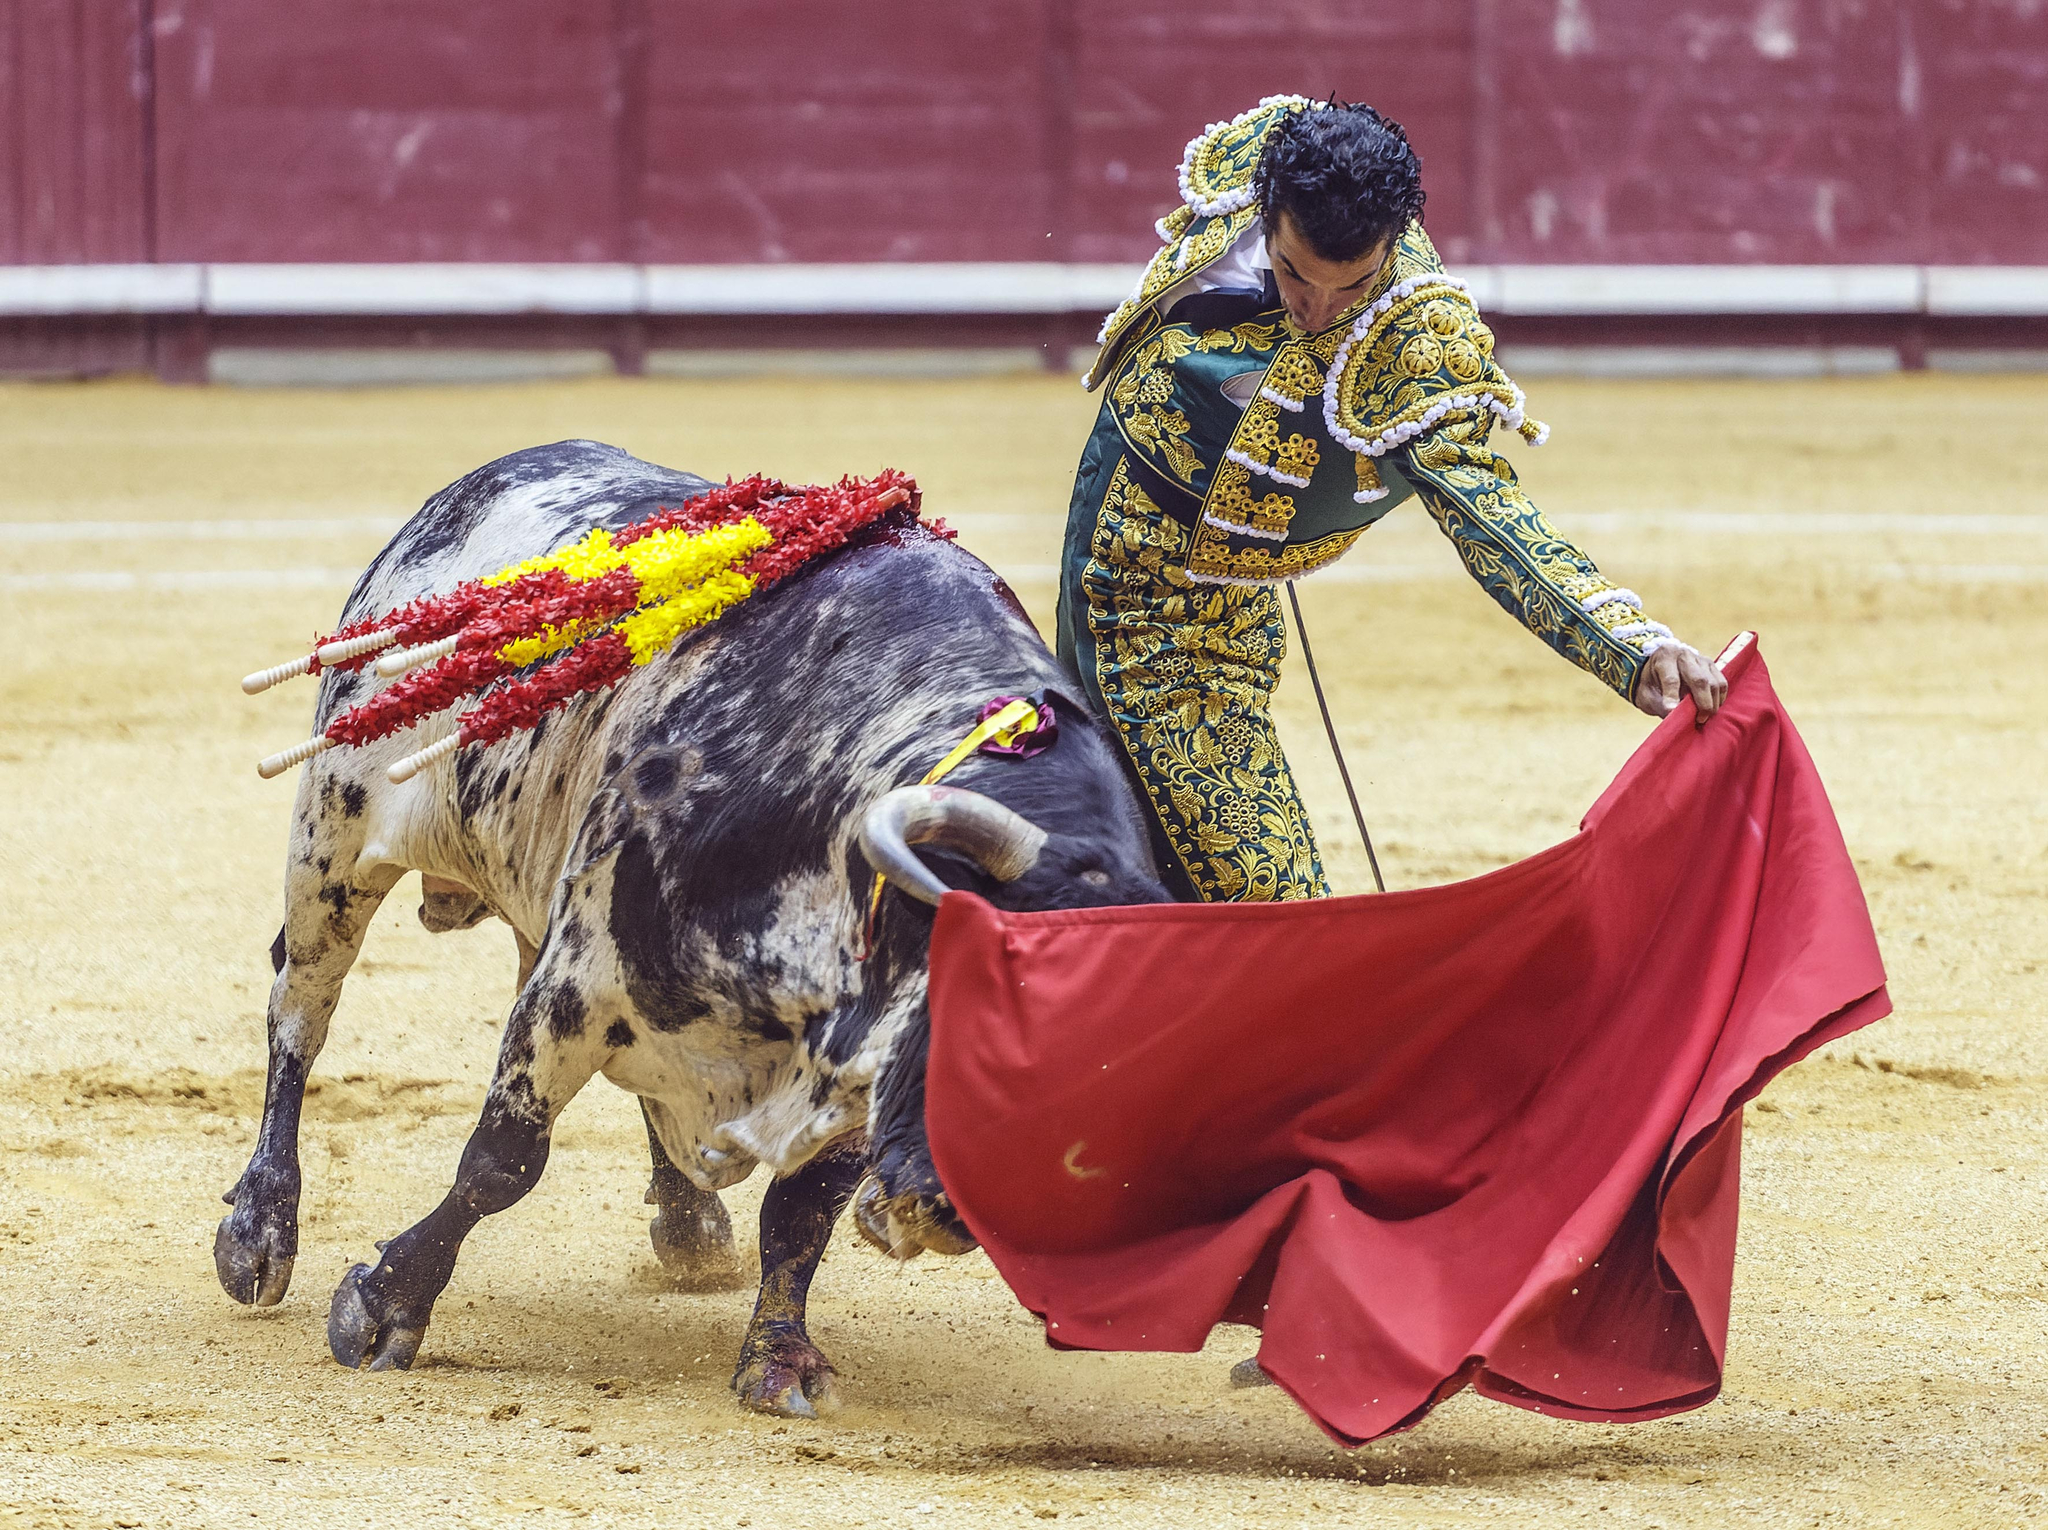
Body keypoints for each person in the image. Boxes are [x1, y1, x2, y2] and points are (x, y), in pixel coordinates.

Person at [1055, 96, 1727, 906]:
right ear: (1269, 212)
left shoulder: (1414, 336)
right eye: (1297, 274)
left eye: (1353, 287)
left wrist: (1626, 643)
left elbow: (1488, 512)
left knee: (1241, 889)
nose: (1318, 311)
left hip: (1226, 603)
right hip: (1132, 591)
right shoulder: (1267, 158)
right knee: (1224, 884)